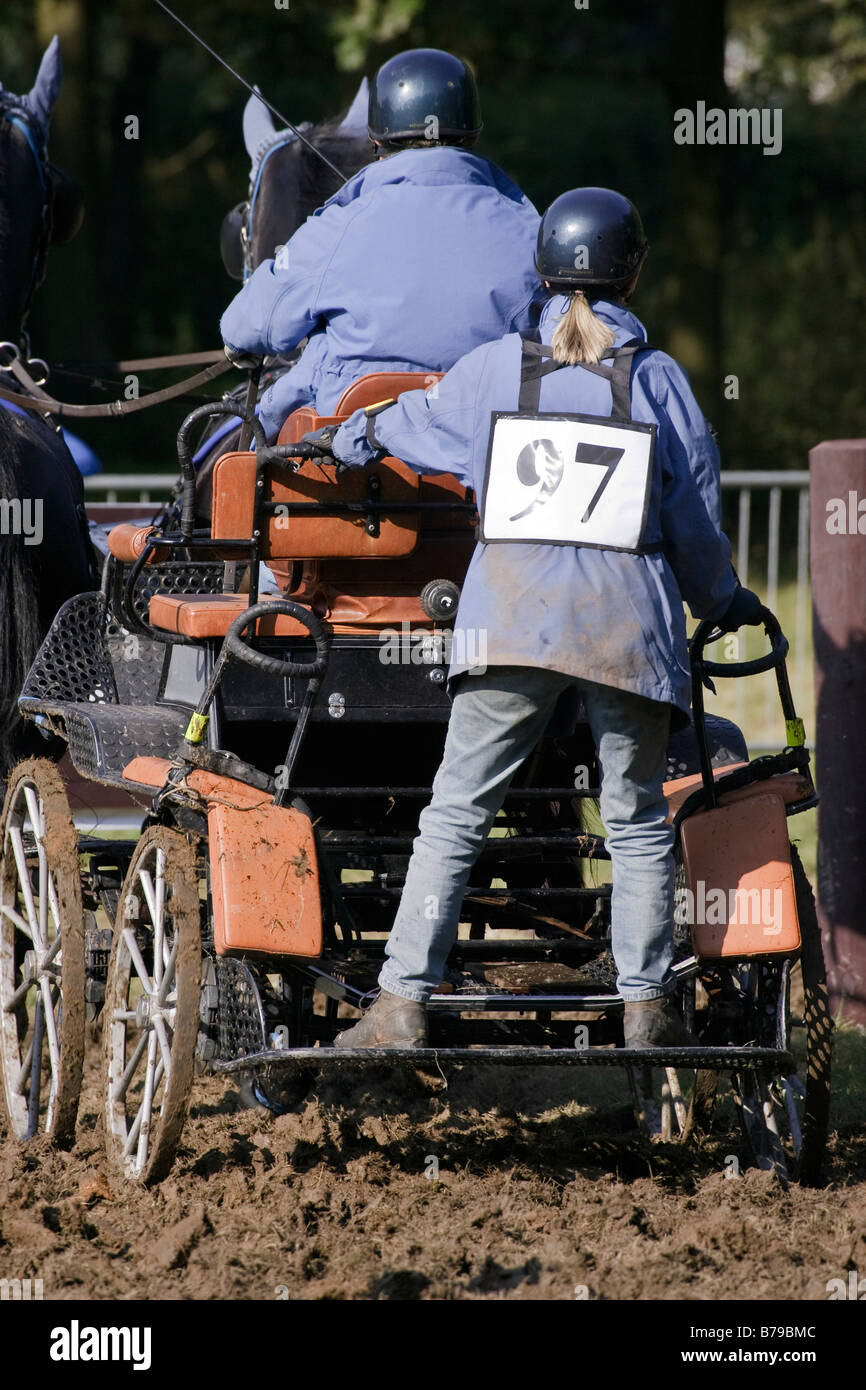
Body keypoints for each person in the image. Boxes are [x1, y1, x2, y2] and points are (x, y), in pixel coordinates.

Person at [301, 186, 764, 1051]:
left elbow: (410, 425)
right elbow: (696, 524)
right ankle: (645, 1009)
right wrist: (726, 600)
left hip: (508, 621)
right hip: (627, 632)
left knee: (456, 814)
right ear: (635, 270)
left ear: (543, 270)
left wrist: (348, 438)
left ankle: (401, 1003)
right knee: (633, 822)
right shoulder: (658, 382)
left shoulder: (492, 371)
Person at [220, 47, 541, 443]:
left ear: (376, 140)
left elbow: (245, 326)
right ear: (472, 134)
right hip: (490, 459)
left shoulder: (337, 228)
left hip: (347, 460)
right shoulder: (531, 232)